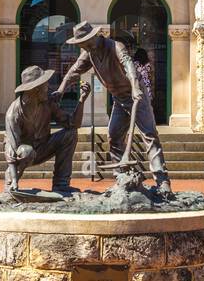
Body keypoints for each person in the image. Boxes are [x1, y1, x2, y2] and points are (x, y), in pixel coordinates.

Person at [54, 21, 172, 197]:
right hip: (118, 99)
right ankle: (121, 177)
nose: (85, 47)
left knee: (149, 135)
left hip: (136, 96)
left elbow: (129, 65)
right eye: (82, 44)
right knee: (114, 136)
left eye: (86, 42)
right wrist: (61, 90)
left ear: (95, 36)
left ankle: (163, 182)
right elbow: (73, 71)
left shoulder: (116, 46)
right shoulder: (89, 53)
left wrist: (134, 86)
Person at [3, 65, 89, 197]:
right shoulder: (13, 113)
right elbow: (12, 153)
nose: (48, 88)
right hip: (24, 154)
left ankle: (61, 185)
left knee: (70, 134)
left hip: (44, 147)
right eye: (45, 85)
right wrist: (13, 181)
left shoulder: (48, 103)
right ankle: (11, 185)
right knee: (26, 151)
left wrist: (81, 100)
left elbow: (72, 124)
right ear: (36, 89)